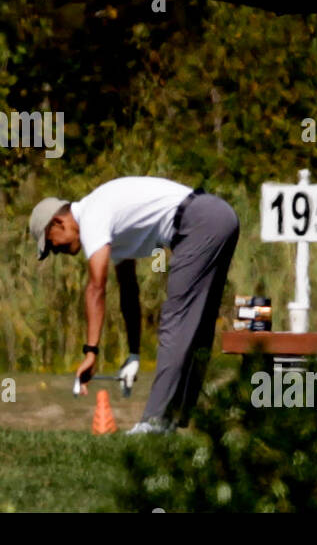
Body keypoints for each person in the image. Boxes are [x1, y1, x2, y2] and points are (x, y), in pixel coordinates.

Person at [30, 177, 240, 434]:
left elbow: (96, 287)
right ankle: (177, 418)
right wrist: (134, 354)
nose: (55, 250)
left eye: (50, 242)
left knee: (176, 323)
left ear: (58, 222)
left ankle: (154, 422)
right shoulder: (107, 225)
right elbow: (128, 291)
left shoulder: (92, 216)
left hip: (200, 222)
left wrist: (91, 352)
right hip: (219, 216)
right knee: (199, 324)